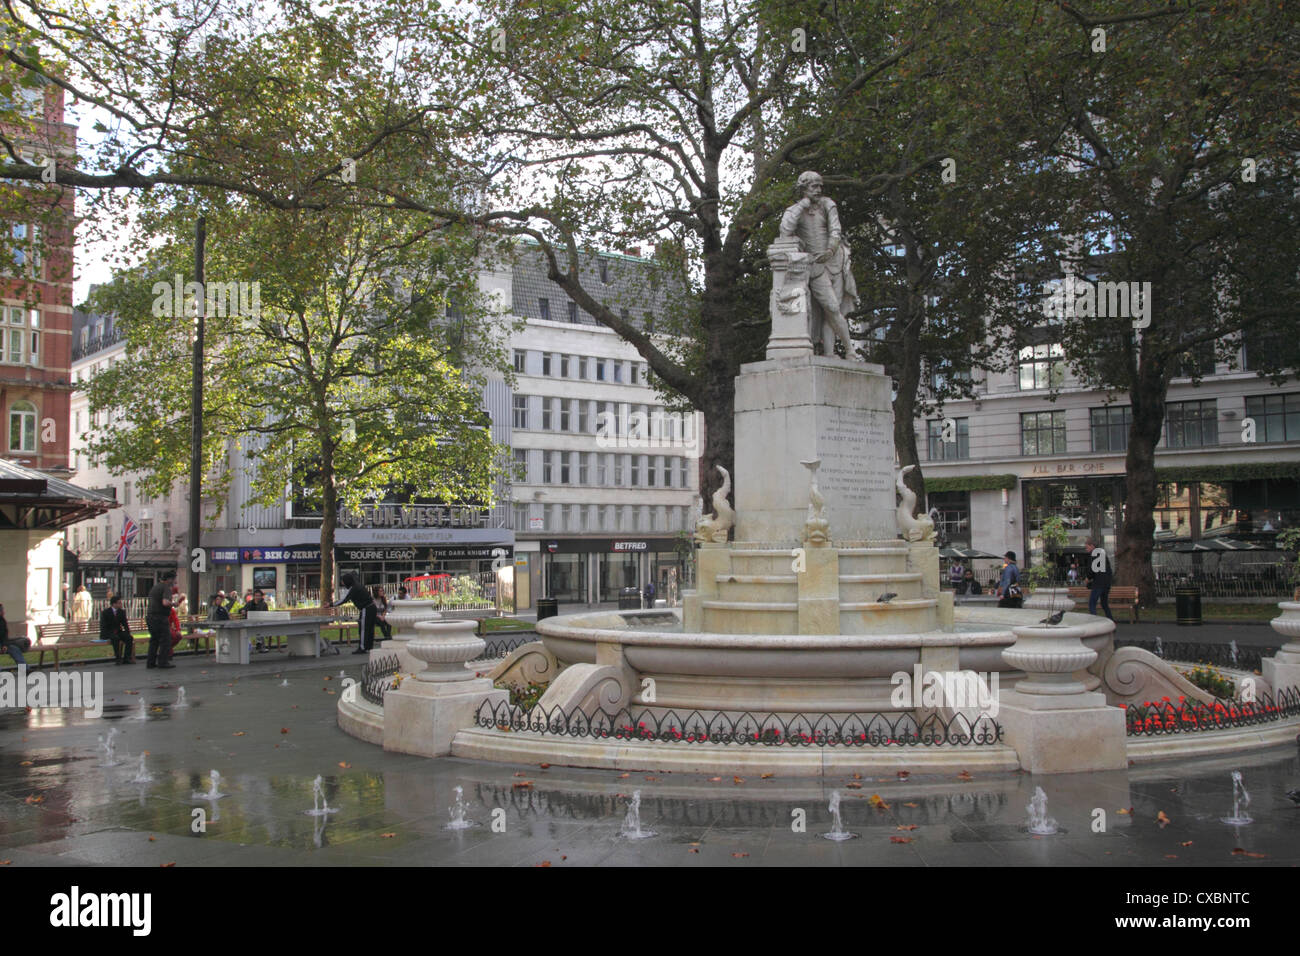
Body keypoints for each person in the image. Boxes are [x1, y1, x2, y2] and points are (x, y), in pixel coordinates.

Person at [777, 171, 861, 358]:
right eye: (814, 186)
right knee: (831, 307)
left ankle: (830, 353)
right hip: (815, 266)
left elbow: (835, 230)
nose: (819, 189)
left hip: (835, 262)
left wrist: (830, 250)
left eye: (820, 186)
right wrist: (802, 205)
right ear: (803, 188)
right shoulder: (795, 210)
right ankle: (850, 350)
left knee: (832, 312)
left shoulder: (827, 204)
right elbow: (785, 230)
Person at [329, 573, 376, 655]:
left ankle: (362, 647)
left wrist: (331, 605)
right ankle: (368, 646)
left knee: (363, 629)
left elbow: (344, 600)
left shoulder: (354, 588)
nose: (342, 583)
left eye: (343, 581)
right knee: (369, 628)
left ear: (347, 581)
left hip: (366, 609)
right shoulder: (357, 586)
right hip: (371, 608)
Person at [145, 570, 177, 669]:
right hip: (160, 617)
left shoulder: (155, 587)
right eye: (173, 579)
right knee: (165, 640)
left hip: (150, 617)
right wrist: (174, 604)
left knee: (154, 640)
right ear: (169, 579)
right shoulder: (166, 588)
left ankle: (150, 662)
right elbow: (165, 602)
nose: (174, 582)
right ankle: (163, 662)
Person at [1085, 537, 1115, 621]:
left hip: (1098, 584)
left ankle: (1095, 622)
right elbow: (1108, 570)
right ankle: (1111, 621)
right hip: (1106, 583)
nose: (1086, 549)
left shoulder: (1094, 554)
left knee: (1092, 603)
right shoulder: (1102, 554)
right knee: (1104, 604)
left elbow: (1092, 569)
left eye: (1087, 547)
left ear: (1092, 546)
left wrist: (1088, 577)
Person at [100, 594, 133, 664]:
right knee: (115, 638)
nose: (121, 604)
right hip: (108, 632)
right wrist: (110, 633)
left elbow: (125, 623)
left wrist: (127, 632)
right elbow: (103, 626)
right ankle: (118, 658)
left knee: (129, 638)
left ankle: (127, 658)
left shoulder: (121, 612)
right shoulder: (105, 612)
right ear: (114, 604)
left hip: (118, 631)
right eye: (119, 603)